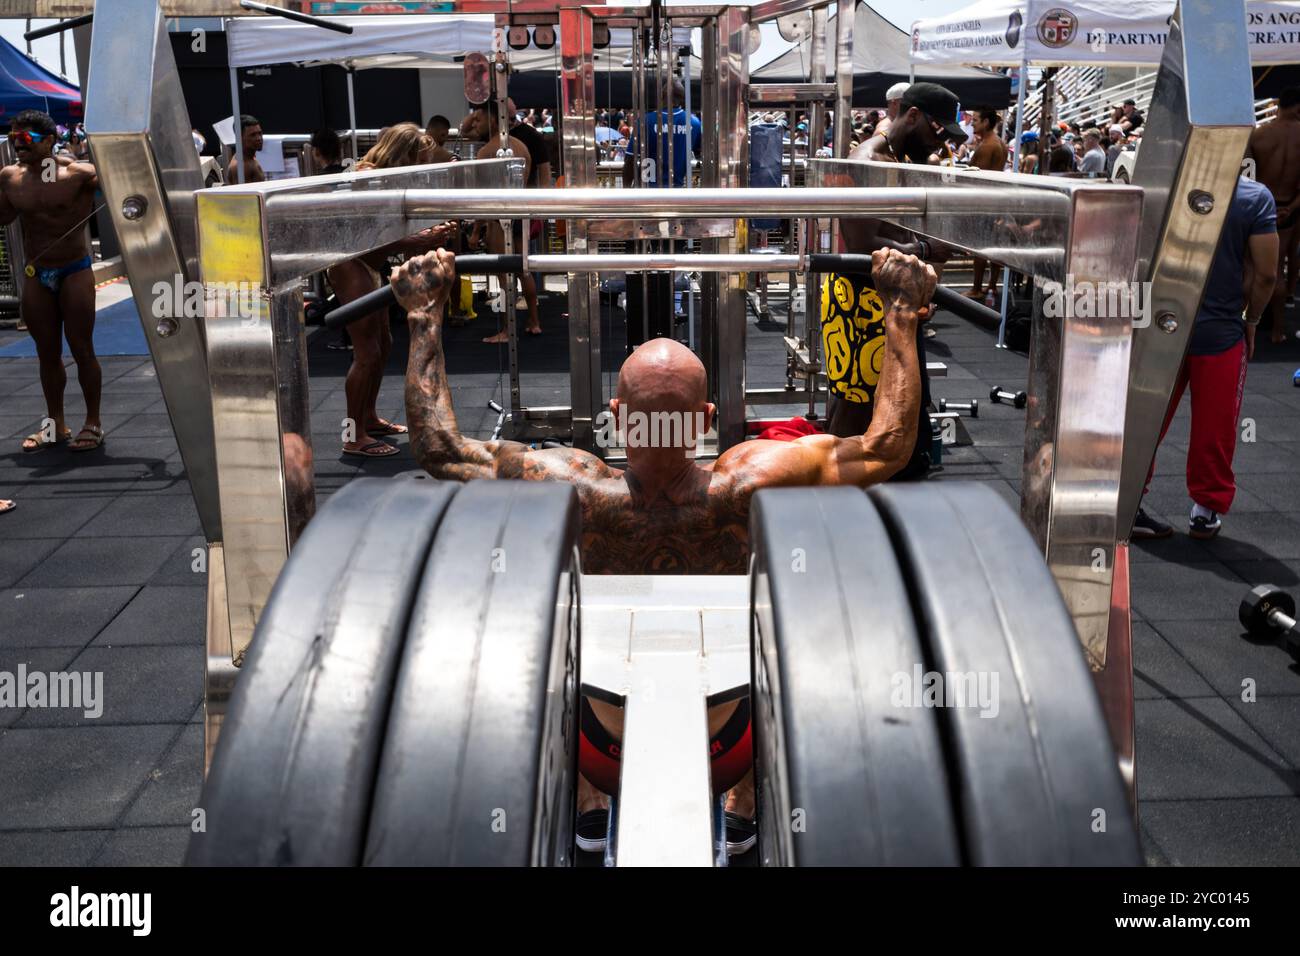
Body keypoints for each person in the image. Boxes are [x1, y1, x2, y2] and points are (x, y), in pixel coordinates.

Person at [395, 245, 936, 851]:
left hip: (602, 744)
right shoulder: (751, 481)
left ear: (617, 417)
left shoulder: (574, 486)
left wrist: (423, 314)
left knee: (527, 613)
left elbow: (440, 449)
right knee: (806, 611)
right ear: (706, 419)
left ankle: (589, 797)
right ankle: (743, 797)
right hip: (729, 741)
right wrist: (902, 312)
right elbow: (886, 446)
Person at [823, 82, 962, 478]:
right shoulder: (871, 159)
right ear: (912, 115)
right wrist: (924, 250)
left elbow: (890, 229)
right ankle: (829, 501)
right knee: (857, 406)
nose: (940, 145)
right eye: (937, 131)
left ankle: (846, 499)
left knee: (880, 402)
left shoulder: (896, 157)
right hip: (860, 298)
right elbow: (862, 242)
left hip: (885, 295)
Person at [1134, 176, 1278, 541]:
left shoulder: (1163, 183)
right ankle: (1205, 511)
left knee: (1143, 418)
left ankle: (1128, 503)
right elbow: (1267, 274)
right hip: (1218, 330)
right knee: (1215, 425)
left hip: (1158, 325)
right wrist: (1253, 320)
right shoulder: (1253, 196)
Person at [327, 123, 457, 458]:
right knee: (366, 353)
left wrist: (427, 232)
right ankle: (352, 435)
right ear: (404, 153)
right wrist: (425, 239)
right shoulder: (367, 175)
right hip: (351, 264)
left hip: (367, 263)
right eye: (418, 158)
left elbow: (384, 230)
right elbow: (374, 238)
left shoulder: (380, 175)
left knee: (383, 345)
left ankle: (366, 418)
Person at [0, 109, 104, 453]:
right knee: (46, 353)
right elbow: (4, 216)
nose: (18, 145)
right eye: (13, 139)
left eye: (25, 139)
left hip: (73, 269)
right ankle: (54, 425)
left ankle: (93, 423)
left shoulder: (78, 174)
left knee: (82, 348)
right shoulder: (10, 176)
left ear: (47, 140)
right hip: (36, 272)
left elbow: (128, 182)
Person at [460, 104, 541, 342]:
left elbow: (482, 199)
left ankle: (508, 329)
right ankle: (534, 321)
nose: (475, 124)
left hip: (499, 218)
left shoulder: (486, 152)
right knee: (524, 270)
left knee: (504, 276)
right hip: (521, 213)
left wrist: (476, 231)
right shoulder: (522, 147)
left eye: (479, 119)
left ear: (493, 120)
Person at [1246, 87, 1300, 344]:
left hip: (1259, 204)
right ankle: (1278, 330)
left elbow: (1247, 175)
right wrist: (1290, 208)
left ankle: (1248, 322)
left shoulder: (1259, 135)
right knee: (1277, 270)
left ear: (1279, 105)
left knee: (1250, 269)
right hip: (1289, 206)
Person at [964, 109, 1008, 302]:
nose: (972, 123)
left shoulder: (987, 146)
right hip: (996, 199)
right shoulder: (1000, 143)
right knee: (994, 245)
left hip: (984, 202)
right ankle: (991, 285)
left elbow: (977, 178)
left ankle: (976, 288)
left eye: (975, 120)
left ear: (986, 121)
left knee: (980, 245)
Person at [226, 114, 265, 184]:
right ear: (239, 138)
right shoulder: (241, 167)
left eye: (260, 133)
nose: (259, 138)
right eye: (253, 135)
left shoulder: (250, 157)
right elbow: (241, 194)